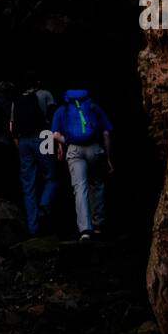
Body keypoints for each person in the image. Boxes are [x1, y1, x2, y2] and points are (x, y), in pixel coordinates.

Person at [52, 87, 113, 242]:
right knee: (97, 184)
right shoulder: (93, 107)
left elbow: (55, 134)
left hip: (74, 150)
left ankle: (85, 230)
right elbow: (106, 133)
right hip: (94, 148)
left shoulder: (62, 110)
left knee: (80, 188)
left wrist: (67, 142)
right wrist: (108, 157)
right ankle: (98, 225)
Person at [10, 82, 58, 236]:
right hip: (44, 136)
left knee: (28, 185)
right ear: (38, 82)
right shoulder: (45, 94)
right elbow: (53, 117)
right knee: (51, 175)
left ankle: (33, 228)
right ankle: (45, 205)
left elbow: (12, 126)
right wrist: (56, 142)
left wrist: (18, 143)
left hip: (23, 140)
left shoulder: (17, 100)